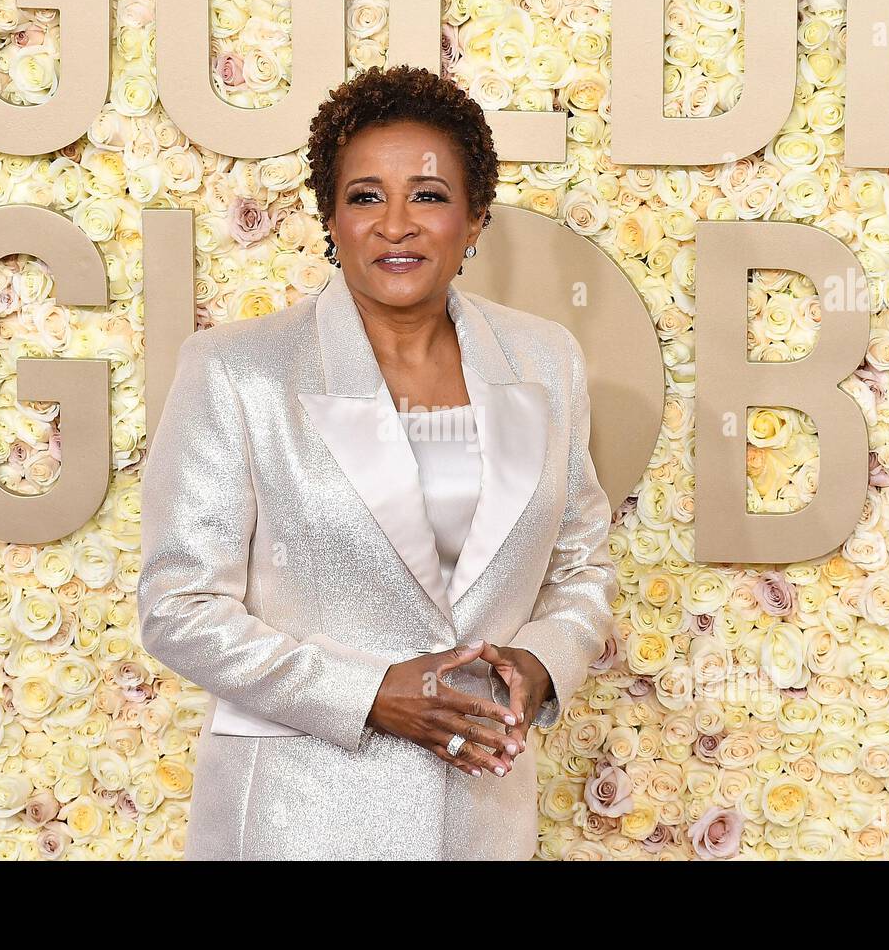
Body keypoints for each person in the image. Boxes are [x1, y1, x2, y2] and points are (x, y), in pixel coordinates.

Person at [138, 64, 617, 860]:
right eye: (365, 196)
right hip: (297, 821)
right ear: (330, 216)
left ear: (475, 218)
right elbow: (179, 606)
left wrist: (538, 664)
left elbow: (581, 561)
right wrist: (369, 695)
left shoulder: (544, 359)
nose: (396, 224)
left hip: (482, 820)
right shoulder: (238, 370)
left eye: (428, 196)